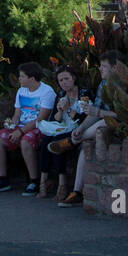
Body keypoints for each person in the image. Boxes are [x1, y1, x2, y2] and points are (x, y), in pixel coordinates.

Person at [49, 51, 128, 208]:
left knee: (103, 123)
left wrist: (99, 113)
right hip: (103, 125)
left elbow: (126, 114)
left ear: (115, 68)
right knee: (87, 147)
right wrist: (81, 128)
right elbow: (95, 111)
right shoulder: (104, 84)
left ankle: (71, 142)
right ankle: (77, 192)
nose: (100, 69)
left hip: (126, 126)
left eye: (103, 67)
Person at [0, 62, 56, 196]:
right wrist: (12, 123)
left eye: (22, 76)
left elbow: (41, 118)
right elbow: (18, 112)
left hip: (39, 127)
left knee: (26, 141)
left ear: (32, 78)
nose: (19, 79)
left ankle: (34, 181)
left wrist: (21, 131)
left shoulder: (47, 92)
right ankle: (2, 179)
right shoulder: (21, 90)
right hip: (21, 126)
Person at [36, 66, 82, 199]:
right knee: (46, 140)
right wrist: (60, 110)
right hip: (62, 128)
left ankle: (62, 184)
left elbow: (81, 117)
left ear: (73, 78)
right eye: (61, 80)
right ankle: (43, 182)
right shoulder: (61, 95)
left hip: (77, 129)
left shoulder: (83, 94)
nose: (64, 83)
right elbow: (55, 119)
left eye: (66, 78)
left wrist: (69, 108)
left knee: (57, 143)